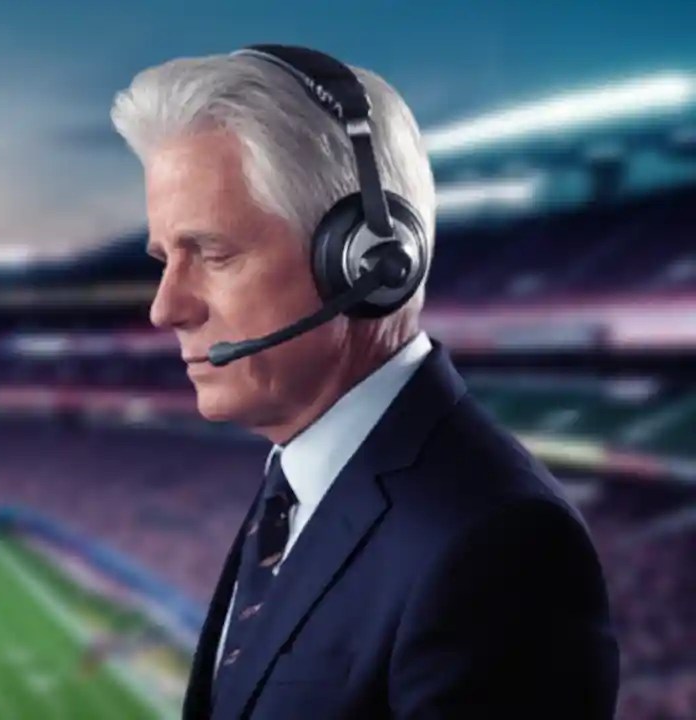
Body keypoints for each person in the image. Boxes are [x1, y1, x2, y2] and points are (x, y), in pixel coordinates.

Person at [110, 44, 620, 719]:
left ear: (370, 264)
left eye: (214, 254)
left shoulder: (500, 544)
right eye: (164, 259)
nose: (166, 306)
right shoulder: (297, 484)